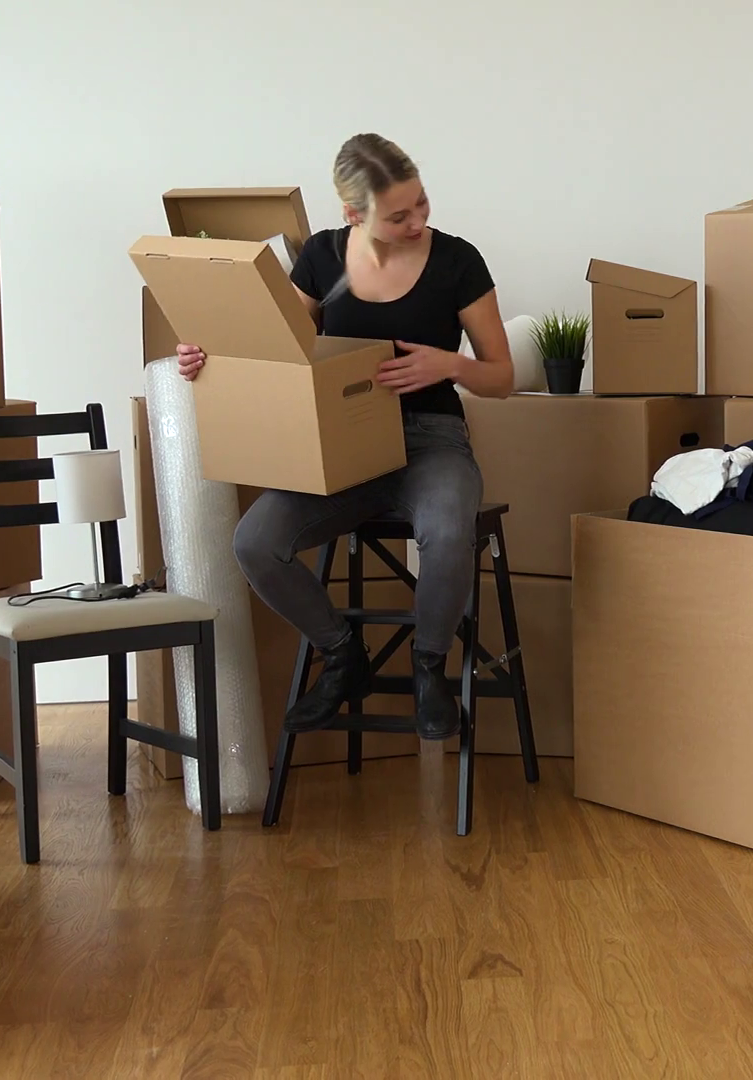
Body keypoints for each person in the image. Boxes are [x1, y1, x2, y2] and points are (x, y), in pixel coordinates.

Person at [175, 133, 514, 741]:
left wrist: (450, 365)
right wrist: (207, 358)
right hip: (341, 450)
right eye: (398, 215)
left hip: (431, 441)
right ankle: (341, 653)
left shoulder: (458, 261)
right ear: (353, 214)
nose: (418, 222)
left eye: (421, 203)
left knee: (446, 529)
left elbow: (502, 377)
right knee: (256, 541)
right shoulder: (322, 258)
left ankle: (429, 669)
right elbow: (274, 350)